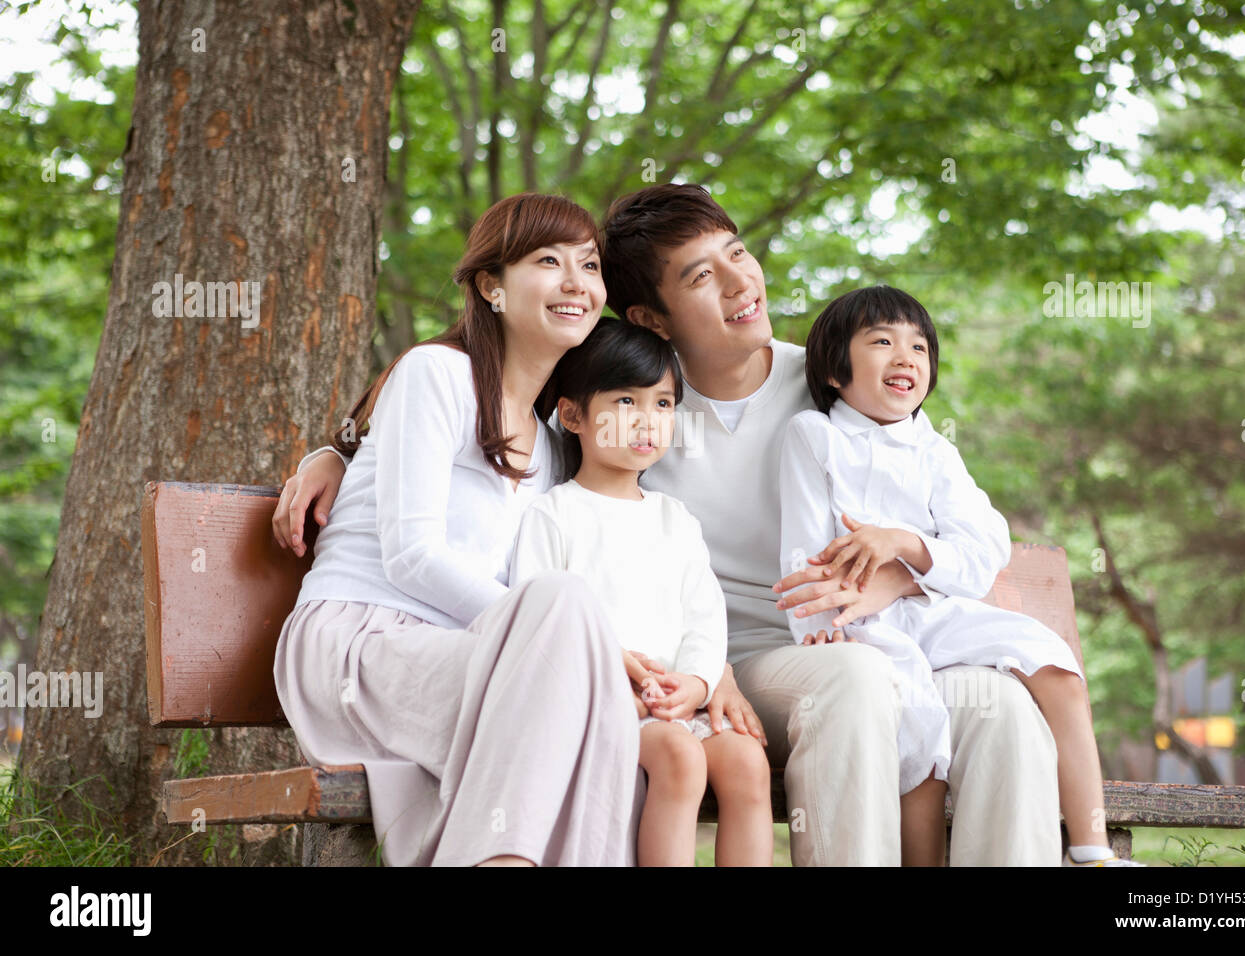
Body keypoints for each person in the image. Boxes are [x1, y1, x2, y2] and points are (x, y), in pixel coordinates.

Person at [284, 184, 1063, 866]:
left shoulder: (831, 382)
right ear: (649, 316)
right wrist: (341, 452)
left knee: (1001, 711)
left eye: (738, 254)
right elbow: (468, 395)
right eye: (701, 276)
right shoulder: (634, 398)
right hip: (736, 662)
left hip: (875, 638)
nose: (739, 283)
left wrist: (894, 572)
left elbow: (949, 507)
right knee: (846, 686)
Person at [270, 193, 642, 866]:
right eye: (548, 261)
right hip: (363, 646)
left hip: (467, 659)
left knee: (601, 702)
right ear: (491, 285)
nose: (575, 284)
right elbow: (411, 556)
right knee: (568, 635)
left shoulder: (558, 446)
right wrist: (546, 638)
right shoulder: (436, 373)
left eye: (589, 266)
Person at [780, 284, 1140, 867]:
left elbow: (984, 548)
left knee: (1057, 668)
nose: (905, 358)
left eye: (919, 347)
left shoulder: (933, 449)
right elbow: (801, 554)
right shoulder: (814, 437)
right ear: (834, 373)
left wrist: (907, 544)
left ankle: (1091, 851)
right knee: (921, 737)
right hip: (861, 625)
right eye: (882, 342)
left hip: (936, 612)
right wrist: (820, 631)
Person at [509, 317, 772, 866]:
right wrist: (615, 686)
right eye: (626, 401)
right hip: (600, 703)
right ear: (574, 414)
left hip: (677, 700)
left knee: (747, 761)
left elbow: (705, 615)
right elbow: (538, 622)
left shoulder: (676, 519)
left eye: (663, 404)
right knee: (679, 754)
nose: (647, 421)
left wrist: (697, 684)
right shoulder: (553, 514)